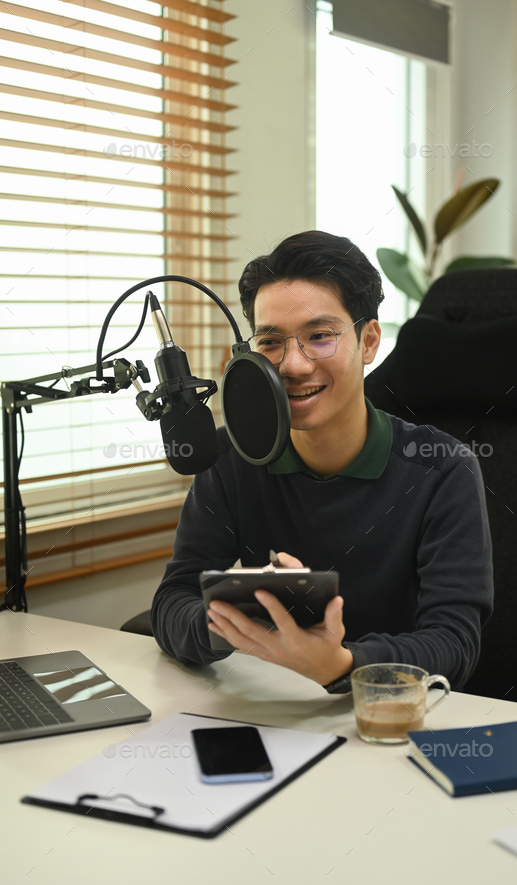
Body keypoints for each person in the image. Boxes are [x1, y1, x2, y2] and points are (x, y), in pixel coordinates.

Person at [151, 230, 493, 693]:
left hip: (387, 718)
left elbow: (454, 643)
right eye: (270, 342)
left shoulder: (443, 469)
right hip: (269, 710)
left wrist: (343, 665)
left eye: (320, 336)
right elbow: (173, 600)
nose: (293, 364)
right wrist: (231, 617)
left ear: (369, 342)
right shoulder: (229, 458)